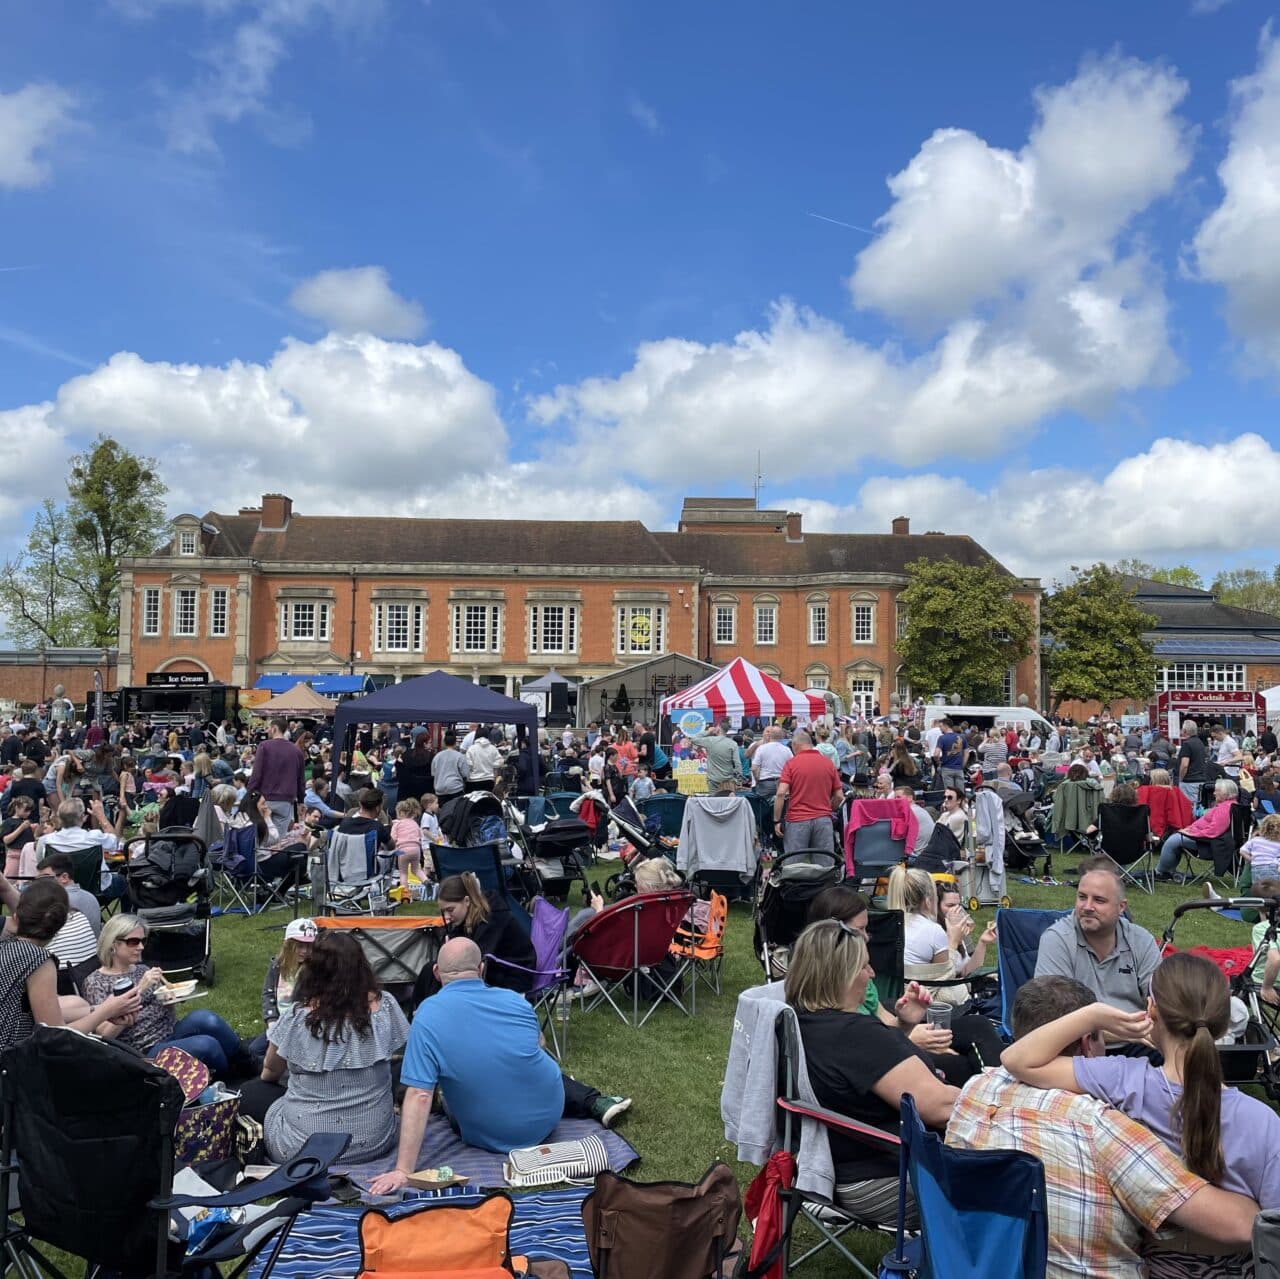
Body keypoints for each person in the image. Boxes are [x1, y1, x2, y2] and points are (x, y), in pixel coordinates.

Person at [949, 975, 1259, 1279]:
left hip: (982, 1266)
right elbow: (1238, 1225)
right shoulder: (1102, 1129)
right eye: (1102, 1038)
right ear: (1086, 1043)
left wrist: (1093, 1025)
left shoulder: (974, 1092)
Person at [369, 938, 631, 1193]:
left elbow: (419, 1094)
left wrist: (403, 1170)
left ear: (436, 973)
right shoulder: (516, 1001)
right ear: (481, 968)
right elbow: (538, 1044)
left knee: (443, 1091)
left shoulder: (427, 1015)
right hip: (548, 1116)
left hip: (490, 1131)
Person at [784, 919, 959, 1225]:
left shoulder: (802, 1021)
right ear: (842, 977)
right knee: (1023, 1176)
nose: (872, 974)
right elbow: (940, 1108)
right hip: (889, 1175)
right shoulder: (853, 1035)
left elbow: (866, 1070)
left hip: (833, 1167)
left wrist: (903, 1026)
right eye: (865, 966)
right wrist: (999, 1100)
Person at [239, 930, 408, 1162]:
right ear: (362, 966)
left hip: (304, 1148)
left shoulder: (297, 1017)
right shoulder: (386, 1007)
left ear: (313, 970)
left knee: (248, 1093)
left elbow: (270, 1072)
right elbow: (402, 1055)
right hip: (374, 1141)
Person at [806, 884, 1002, 1080]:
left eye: (867, 929)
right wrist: (909, 1041)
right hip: (880, 1056)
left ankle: (1004, 1093)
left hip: (892, 1039)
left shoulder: (861, 974)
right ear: (831, 932)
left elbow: (885, 1019)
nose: (867, 937)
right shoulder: (824, 989)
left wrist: (906, 1025)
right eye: (860, 930)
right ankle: (1002, 1097)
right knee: (963, 1064)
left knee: (978, 1026)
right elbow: (855, 1044)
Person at [82, 914, 243, 1072]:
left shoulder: (141, 969)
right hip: (142, 1050)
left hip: (170, 1031)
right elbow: (104, 1035)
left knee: (208, 1019)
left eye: (143, 940)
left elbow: (163, 1004)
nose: (141, 947)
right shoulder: (96, 982)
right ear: (113, 944)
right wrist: (140, 989)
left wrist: (171, 998)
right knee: (207, 1045)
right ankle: (232, 1075)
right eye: (133, 942)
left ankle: (246, 1060)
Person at [0, 878, 140, 1050]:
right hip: (11, 1066)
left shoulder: (6, 948)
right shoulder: (38, 960)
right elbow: (54, 1037)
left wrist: (101, 1009)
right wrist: (107, 1011)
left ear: (15, 917)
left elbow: (45, 1013)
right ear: (62, 924)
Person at [1034, 858, 1161, 1016]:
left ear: (1121, 907)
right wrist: (1126, 1030)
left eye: (1099, 900)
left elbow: (1161, 1001)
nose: (1087, 907)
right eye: (1082, 897)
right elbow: (1053, 1018)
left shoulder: (1141, 940)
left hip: (1140, 1035)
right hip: (1080, 1038)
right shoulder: (1057, 940)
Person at [410, 872, 535, 1005]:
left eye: (450, 910)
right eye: (443, 911)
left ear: (467, 901)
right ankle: (424, 1014)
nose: (446, 916)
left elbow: (475, 957)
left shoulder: (493, 918)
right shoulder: (468, 917)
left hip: (511, 975)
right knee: (431, 969)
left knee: (444, 973)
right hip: (491, 969)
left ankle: (434, 1013)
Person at [34, 796, 127, 908]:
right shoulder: (95, 837)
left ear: (59, 818)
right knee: (125, 880)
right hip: (97, 892)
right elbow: (114, 842)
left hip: (60, 891)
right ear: (83, 817)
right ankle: (126, 919)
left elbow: (42, 864)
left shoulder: (46, 841)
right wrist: (101, 816)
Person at [251, 915, 317, 1057]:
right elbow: (268, 994)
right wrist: (271, 1022)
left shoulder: (315, 970)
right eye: (299, 946)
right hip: (279, 1025)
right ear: (288, 946)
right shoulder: (277, 966)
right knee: (253, 1051)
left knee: (286, 1056)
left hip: (302, 1029)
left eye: (309, 946)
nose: (304, 951)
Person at [773, 729, 844, 855]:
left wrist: (777, 820)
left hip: (797, 820)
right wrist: (828, 808)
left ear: (795, 745)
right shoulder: (828, 764)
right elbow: (839, 796)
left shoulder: (791, 764)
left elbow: (781, 793)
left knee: (794, 865)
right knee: (824, 865)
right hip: (823, 820)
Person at [1154, 779, 1240, 881]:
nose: (1214, 793)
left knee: (1173, 840)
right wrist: (1189, 830)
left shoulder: (1225, 809)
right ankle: (1169, 871)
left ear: (1226, 793)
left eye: (1217, 791)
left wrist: (1192, 833)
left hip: (1211, 843)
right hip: (1206, 837)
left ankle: (1159, 872)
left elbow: (1214, 831)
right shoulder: (1228, 805)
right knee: (1176, 838)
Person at [246, 717, 306, 830]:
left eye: (268, 728)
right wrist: (301, 800)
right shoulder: (296, 750)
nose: (267, 731)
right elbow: (300, 779)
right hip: (286, 800)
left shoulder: (264, 746)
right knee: (278, 838)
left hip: (265, 798)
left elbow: (257, 773)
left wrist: (248, 793)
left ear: (274, 728)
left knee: (261, 836)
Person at [1137, 767, 1192, 840]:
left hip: (1150, 827)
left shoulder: (1146, 790)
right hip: (1172, 828)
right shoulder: (1175, 790)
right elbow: (1186, 806)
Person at [690, 719, 740, 794]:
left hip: (713, 780)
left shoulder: (710, 740)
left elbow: (693, 739)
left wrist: (708, 732)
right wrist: (738, 780)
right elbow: (737, 763)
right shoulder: (733, 744)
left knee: (713, 802)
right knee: (728, 803)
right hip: (728, 780)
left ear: (718, 728)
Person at [390, 797, 425, 892]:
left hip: (403, 851)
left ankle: (405, 893)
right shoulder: (415, 824)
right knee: (416, 869)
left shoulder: (397, 824)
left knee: (403, 873)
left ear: (401, 812)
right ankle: (426, 881)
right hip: (416, 850)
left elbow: (392, 839)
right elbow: (420, 836)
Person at [750, 725, 792, 799]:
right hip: (782, 783)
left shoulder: (761, 749)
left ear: (771, 735)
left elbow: (754, 768)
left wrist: (757, 780)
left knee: (764, 807)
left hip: (765, 782)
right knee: (781, 807)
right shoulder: (787, 750)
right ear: (782, 736)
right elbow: (792, 767)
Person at [892, 785, 935, 855]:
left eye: (898, 797)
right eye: (894, 798)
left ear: (910, 798)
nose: (895, 800)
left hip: (916, 855)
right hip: (923, 852)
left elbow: (898, 834)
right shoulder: (917, 809)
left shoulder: (912, 812)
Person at [431, 731, 469, 805]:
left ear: (444, 743)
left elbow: (433, 773)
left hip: (440, 788)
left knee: (443, 812)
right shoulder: (459, 756)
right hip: (455, 788)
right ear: (455, 743)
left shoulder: (437, 756)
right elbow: (465, 774)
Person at [1241, 813, 1280, 882]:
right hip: (1272, 867)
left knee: (1259, 889)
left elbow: (1242, 851)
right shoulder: (1277, 842)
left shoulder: (1255, 840)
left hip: (1256, 868)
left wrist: (1251, 859)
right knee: (1273, 889)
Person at [1177, 719, 1208, 804]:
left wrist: (1180, 778)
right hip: (1201, 779)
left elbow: (1184, 765)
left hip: (1189, 781)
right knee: (1198, 805)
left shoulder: (1187, 744)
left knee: (1189, 806)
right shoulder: (1200, 743)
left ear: (1185, 731)